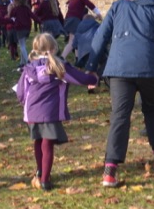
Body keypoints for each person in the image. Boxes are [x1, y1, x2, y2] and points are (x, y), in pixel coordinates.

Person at [86, 0, 154, 188]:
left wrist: (92, 68)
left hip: (119, 68)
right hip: (150, 67)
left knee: (120, 116)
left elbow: (100, 37)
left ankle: (110, 171)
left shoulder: (119, 6)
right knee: (153, 110)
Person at [16, 34, 97, 191]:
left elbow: (20, 91)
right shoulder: (59, 66)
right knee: (47, 144)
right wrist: (93, 79)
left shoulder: (29, 68)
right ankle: (45, 179)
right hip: (50, 111)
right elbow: (80, 79)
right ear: (53, 49)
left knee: (38, 141)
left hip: (32, 111)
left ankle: (40, 172)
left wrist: (25, 102)